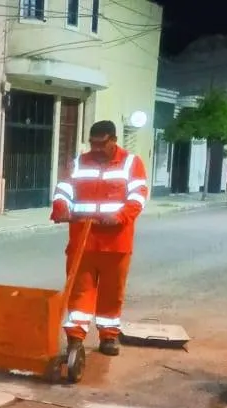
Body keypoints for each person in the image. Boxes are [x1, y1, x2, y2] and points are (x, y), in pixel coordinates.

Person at [50, 120, 149, 358]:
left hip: (116, 242)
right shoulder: (78, 163)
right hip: (82, 241)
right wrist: (60, 207)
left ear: (114, 140)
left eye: (101, 144)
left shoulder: (131, 163)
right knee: (79, 290)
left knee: (111, 292)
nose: (95, 149)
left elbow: (138, 196)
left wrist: (120, 216)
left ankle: (109, 335)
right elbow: (63, 190)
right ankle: (75, 336)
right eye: (92, 144)